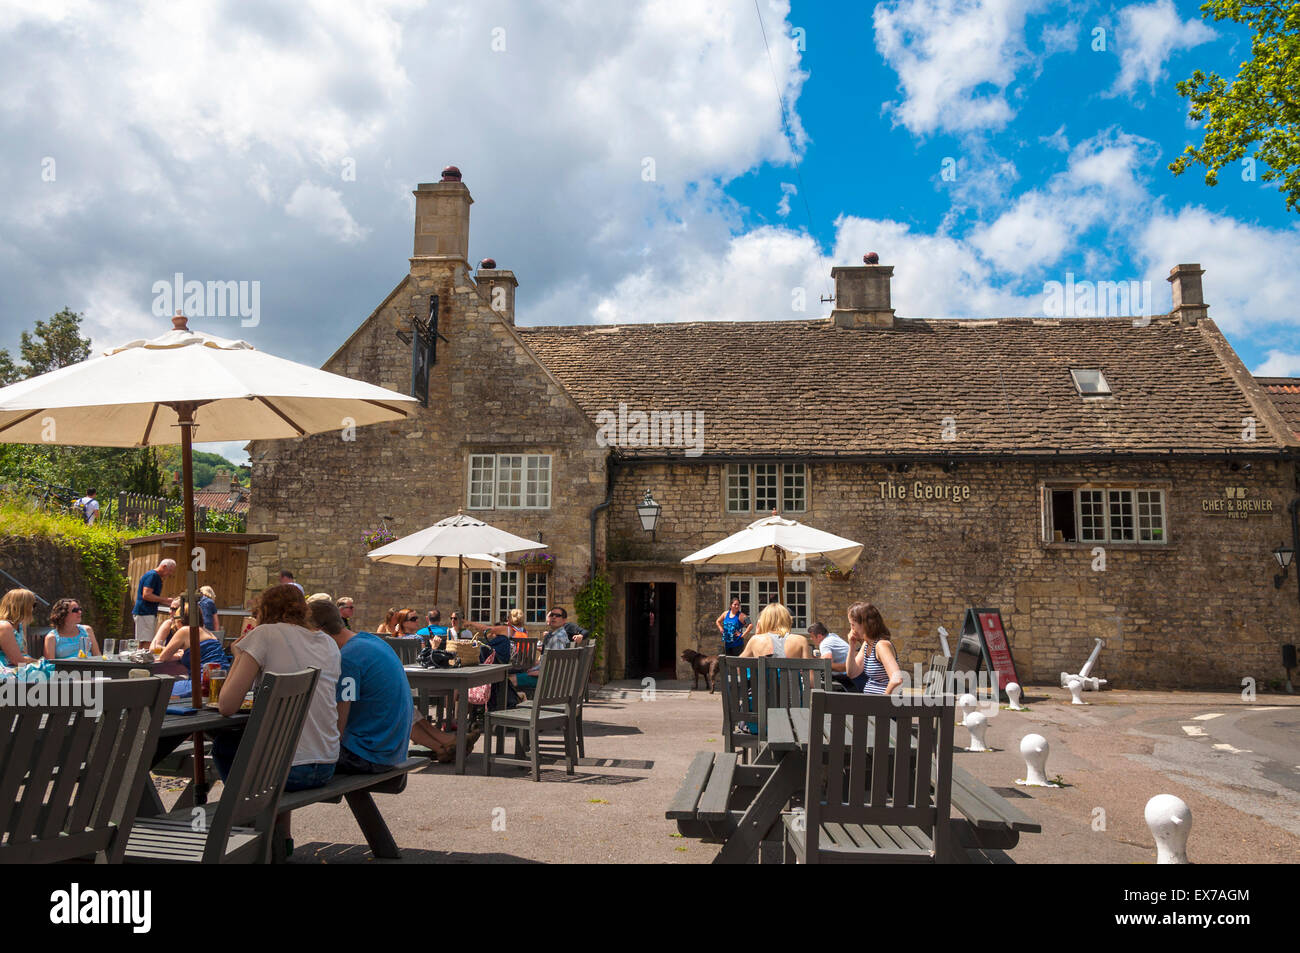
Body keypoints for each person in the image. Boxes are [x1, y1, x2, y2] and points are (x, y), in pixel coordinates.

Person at [217, 584, 340, 792]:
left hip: (283, 771)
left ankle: (243, 816)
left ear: (263, 611)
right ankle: (274, 824)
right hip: (326, 765)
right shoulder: (328, 642)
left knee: (225, 745)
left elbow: (226, 706)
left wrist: (238, 655)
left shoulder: (264, 634)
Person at [154, 596, 226, 676]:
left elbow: (163, 658)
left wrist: (179, 655)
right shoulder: (207, 632)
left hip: (204, 680)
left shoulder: (185, 630)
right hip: (222, 677)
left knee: (165, 686)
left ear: (180, 619)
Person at [844, 601, 903, 696]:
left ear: (864, 624)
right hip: (871, 704)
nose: (851, 629)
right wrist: (852, 646)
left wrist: (882, 702)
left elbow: (897, 679)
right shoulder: (867, 644)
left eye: (852, 625)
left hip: (882, 706)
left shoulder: (881, 646)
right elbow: (852, 673)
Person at [739, 603, 810, 659]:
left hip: (764, 678)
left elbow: (738, 668)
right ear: (787, 620)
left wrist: (757, 635)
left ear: (764, 621)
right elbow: (810, 675)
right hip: (790, 678)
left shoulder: (755, 640)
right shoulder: (801, 640)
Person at [132, 558, 176, 644]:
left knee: (147, 641)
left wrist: (165, 601)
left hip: (148, 613)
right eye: (170, 571)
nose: (170, 574)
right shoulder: (152, 576)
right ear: (164, 566)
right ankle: (141, 657)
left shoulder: (156, 577)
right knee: (145, 642)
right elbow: (146, 595)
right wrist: (165, 599)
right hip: (144, 612)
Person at [809, 621, 858, 691]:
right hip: (854, 669)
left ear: (819, 636)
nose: (811, 639)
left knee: (816, 668)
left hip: (848, 677)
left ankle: (816, 693)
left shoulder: (824, 643)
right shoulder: (832, 636)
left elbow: (826, 662)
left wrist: (813, 663)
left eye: (812, 637)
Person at [0, 588, 38, 666]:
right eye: (33, 605)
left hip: (18, 667)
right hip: (6, 670)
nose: (33, 609)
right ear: (22, 606)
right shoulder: (4, 626)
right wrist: (39, 662)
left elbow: (24, 654)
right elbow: (17, 660)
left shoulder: (21, 625)